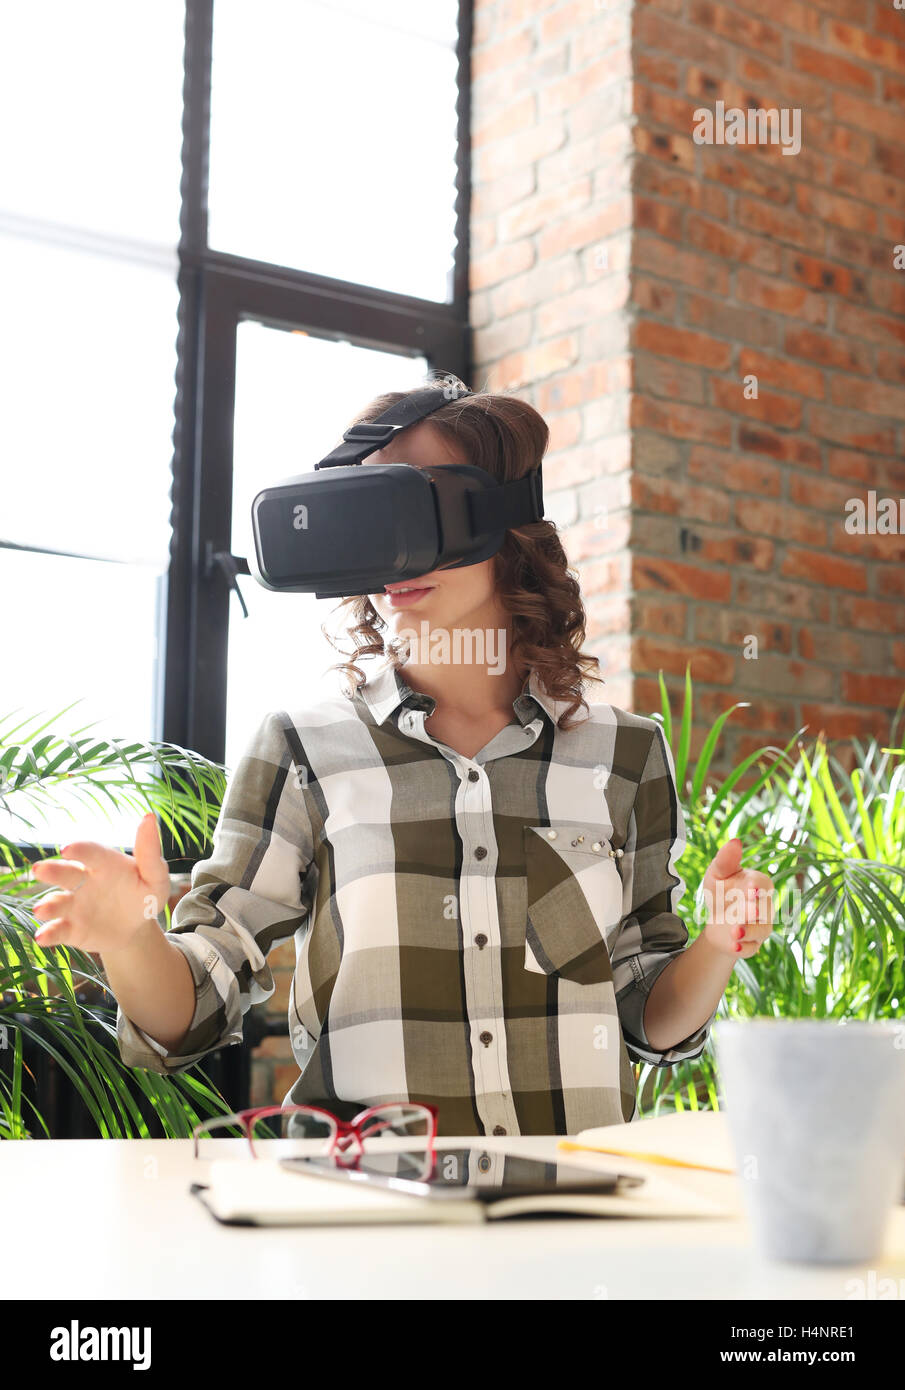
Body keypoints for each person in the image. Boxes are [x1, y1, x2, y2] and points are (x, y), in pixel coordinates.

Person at [29, 377, 774, 1137]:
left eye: (417, 506)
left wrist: (716, 945)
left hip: (572, 1210)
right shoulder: (303, 748)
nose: (392, 548)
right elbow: (196, 1006)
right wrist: (132, 939)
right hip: (372, 1209)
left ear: (501, 518)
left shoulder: (623, 754)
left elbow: (644, 1016)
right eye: (368, 511)